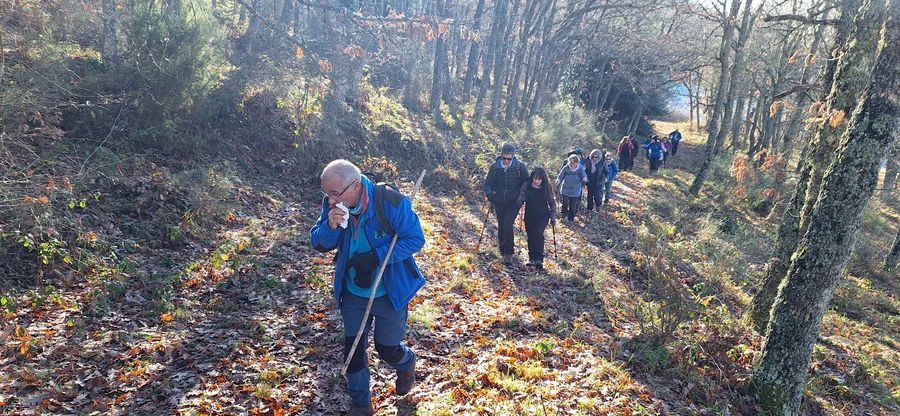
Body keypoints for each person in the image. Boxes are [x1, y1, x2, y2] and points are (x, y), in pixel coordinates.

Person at [310, 160, 426, 416]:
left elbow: (416, 238)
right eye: (325, 193)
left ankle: (406, 362)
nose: (329, 200)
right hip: (352, 293)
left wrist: (377, 256)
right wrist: (329, 226)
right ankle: (361, 404)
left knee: (387, 349)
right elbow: (319, 242)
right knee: (353, 351)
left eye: (333, 193)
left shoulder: (389, 202)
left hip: (388, 292)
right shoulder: (333, 204)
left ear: (356, 186)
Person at [484, 143, 529, 265]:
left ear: (513, 156)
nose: (506, 161)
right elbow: (487, 183)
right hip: (498, 201)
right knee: (501, 226)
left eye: (509, 158)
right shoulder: (495, 167)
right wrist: (490, 195)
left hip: (514, 201)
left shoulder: (520, 167)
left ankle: (509, 253)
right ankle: (502, 250)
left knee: (508, 225)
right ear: (501, 155)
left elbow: (527, 182)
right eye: (504, 158)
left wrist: (522, 197)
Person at [517, 168, 557, 270]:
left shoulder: (546, 187)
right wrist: (521, 200)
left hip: (543, 215)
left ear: (543, 180)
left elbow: (552, 203)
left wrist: (553, 216)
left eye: (539, 179)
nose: (536, 181)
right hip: (529, 214)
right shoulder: (526, 186)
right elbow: (521, 197)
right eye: (535, 179)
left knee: (538, 233)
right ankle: (532, 259)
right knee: (530, 235)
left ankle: (539, 259)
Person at [557, 154, 588, 222]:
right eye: (571, 162)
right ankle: (564, 216)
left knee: (573, 205)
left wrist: (584, 178)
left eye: (574, 162)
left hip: (575, 190)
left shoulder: (580, 168)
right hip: (565, 189)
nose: (572, 164)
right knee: (565, 204)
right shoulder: (566, 168)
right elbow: (560, 176)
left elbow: (584, 175)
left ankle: (571, 218)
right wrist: (558, 180)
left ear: (577, 162)